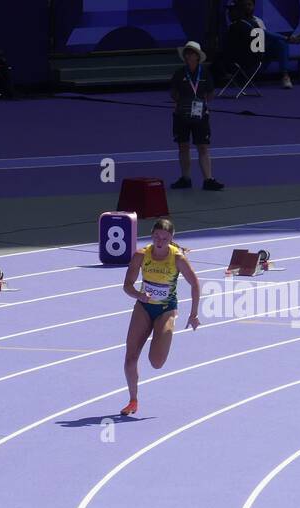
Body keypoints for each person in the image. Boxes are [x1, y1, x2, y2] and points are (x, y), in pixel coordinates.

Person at [118, 218, 201, 417]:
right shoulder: (141, 255)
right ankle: (133, 400)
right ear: (151, 236)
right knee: (130, 358)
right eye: (156, 237)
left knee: (156, 362)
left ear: (171, 238)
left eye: (165, 238)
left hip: (165, 310)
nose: (160, 241)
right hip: (143, 307)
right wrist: (139, 295)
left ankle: (164, 334)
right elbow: (127, 284)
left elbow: (195, 284)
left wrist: (194, 313)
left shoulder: (178, 258)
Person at [169, 41, 223, 191]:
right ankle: (185, 178)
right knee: (183, 146)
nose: (188, 55)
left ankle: (208, 179)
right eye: (186, 53)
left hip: (201, 115)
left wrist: (200, 102)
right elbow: (173, 93)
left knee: (203, 147)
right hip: (181, 115)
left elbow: (211, 93)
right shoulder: (179, 73)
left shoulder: (205, 73)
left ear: (197, 57)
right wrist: (183, 103)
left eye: (191, 53)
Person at [230, 0, 300, 89]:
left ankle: (285, 77)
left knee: (281, 44)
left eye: (250, 5)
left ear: (254, 7)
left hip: (259, 50)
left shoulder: (258, 21)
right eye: (245, 5)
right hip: (246, 53)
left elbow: (265, 38)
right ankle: (290, 40)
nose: (247, 7)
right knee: (265, 33)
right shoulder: (237, 21)